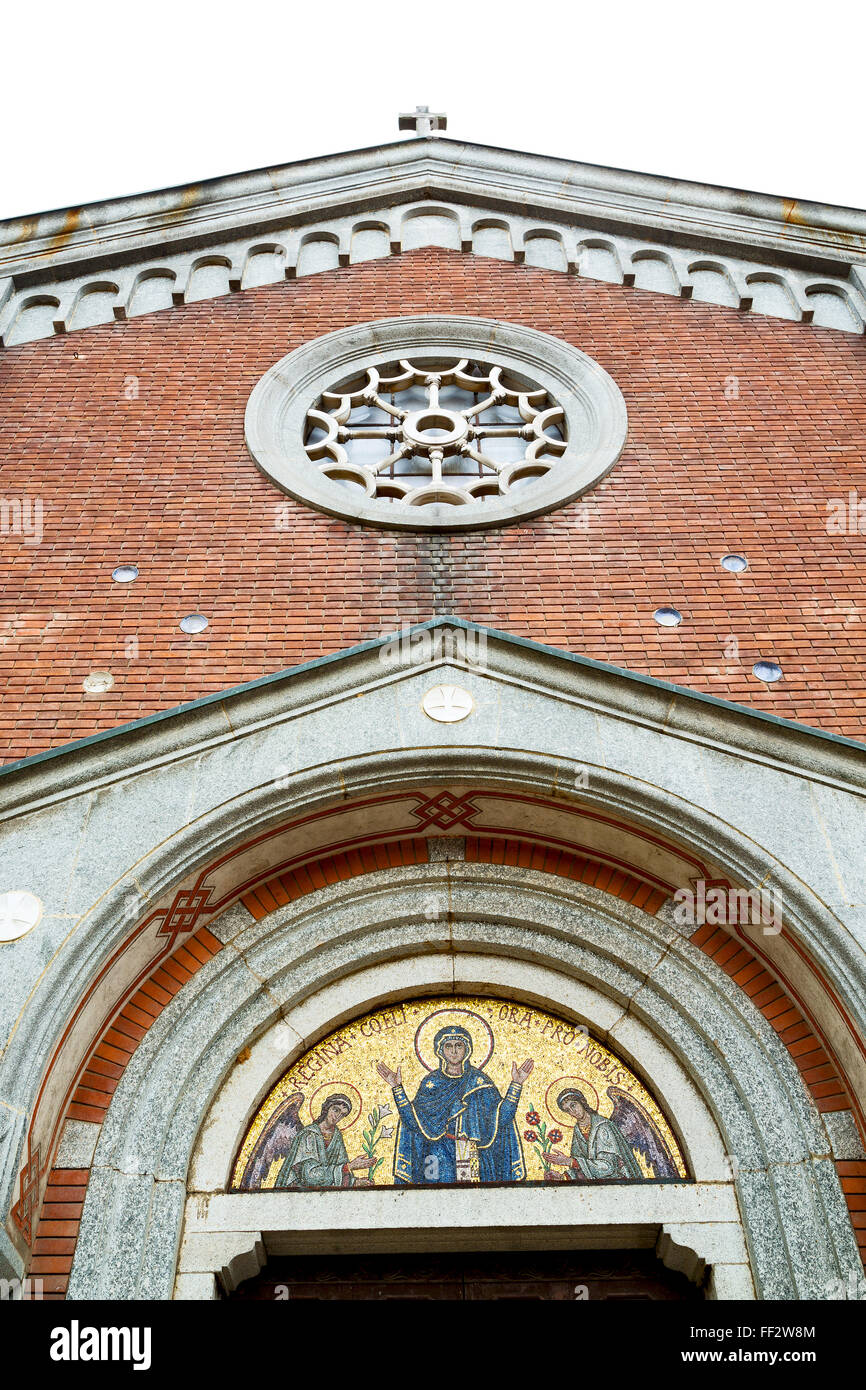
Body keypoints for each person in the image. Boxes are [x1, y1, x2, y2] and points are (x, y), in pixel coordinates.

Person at [376, 1025, 533, 1184]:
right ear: (440, 1050)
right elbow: (412, 1121)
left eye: (459, 1045)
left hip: (472, 1152)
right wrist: (397, 1088)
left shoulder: (479, 1082)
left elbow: (502, 1118)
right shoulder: (432, 1083)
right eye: (448, 1046)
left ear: (467, 1049)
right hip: (439, 1155)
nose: (454, 1051)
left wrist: (516, 1084)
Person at [273, 1094, 375, 1189]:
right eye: (335, 1110)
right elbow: (310, 1176)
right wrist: (350, 1166)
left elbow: (340, 1168)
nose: (337, 1116)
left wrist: (354, 1182)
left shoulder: (336, 1136)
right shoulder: (309, 1135)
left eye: (342, 1114)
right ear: (327, 1108)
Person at [546, 1088, 643, 1180]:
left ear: (582, 1102)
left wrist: (570, 1162)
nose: (572, 1112)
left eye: (573, 1105)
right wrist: (563, 1177)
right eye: (567, 1110)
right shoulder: (578, 1130)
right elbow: (581, 1168)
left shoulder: (603, 1126)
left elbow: (608, 1167)